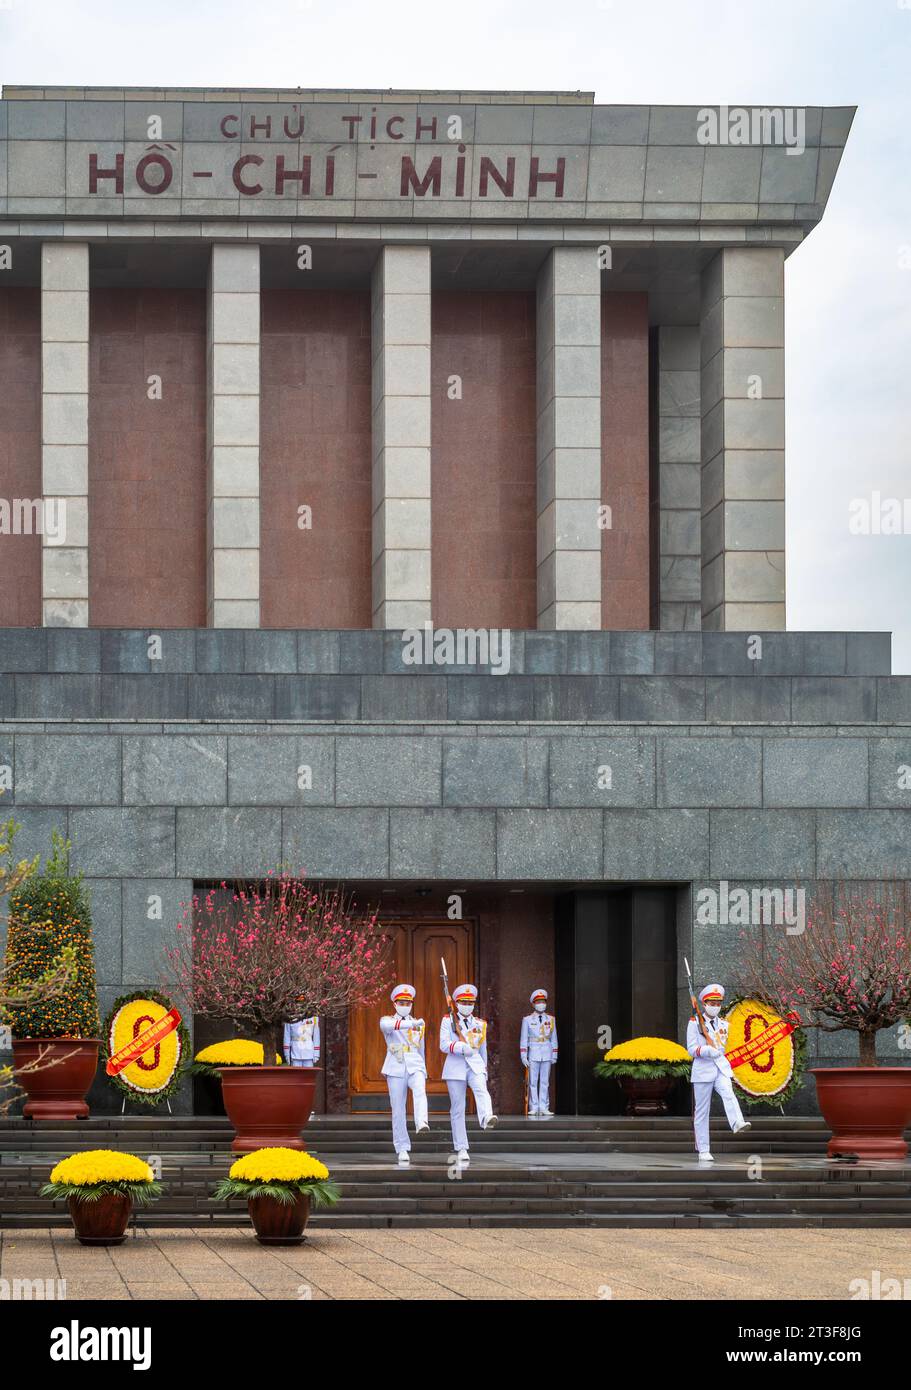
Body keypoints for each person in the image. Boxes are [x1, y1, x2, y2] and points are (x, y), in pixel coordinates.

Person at [686, 982, 751, 1162]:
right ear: (705, 1004)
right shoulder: (694, 1023)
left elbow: (723, 1046)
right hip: (702, 1071)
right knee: (702, 1112)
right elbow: (691, 1049)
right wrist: (707, 1050)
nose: (715, 1007)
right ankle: (703, 1150)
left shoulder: (724, 1024)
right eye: (711, 1003)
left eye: (717, 1004)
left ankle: (737, 1122)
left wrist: (717, 1051)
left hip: (720, 1067)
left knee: (728, 1093)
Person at [439, 983, 498, 1166]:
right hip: (455, 1066)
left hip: (475, 1065)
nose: (467, 1005)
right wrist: (460, 1047)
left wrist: (484, 1068)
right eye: (464, 1002)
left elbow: (483, 1049)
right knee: (458, 1108)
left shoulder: (481, 1024)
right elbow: (443, 1045)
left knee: (481, 1089)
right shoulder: (447, 1021)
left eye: (470, 1002)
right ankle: (461, 1147)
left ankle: (487, 1116)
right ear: (456, 1003)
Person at [379, 983, 430, 1167]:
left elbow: (421, 1048)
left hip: (415, 1063)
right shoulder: (387, 1020)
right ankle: (402, 1148)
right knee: (398, 1109)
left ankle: (421, 1121)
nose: (405, 1005)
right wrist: (412, 1023)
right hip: (396, 1065)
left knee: (419, 1090)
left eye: (408, 1002)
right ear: (394, 1003)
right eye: (401, 1002)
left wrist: (424, 1067)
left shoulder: (418, 1024)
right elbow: (388, 1026)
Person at [520, 988, 558, 1117]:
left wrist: (554, 1054)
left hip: (546, 1052)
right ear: (533, 1004)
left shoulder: (551, 1019)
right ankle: (534, 1107)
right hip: (534, 1053)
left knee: (545, 1082)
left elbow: (554, 1038)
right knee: (532, 1081)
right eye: (538, 1002)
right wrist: (523, 1055)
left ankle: (544, 1107)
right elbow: (524, 1039)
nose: (541, 1004)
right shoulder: (527, 1020)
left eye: (543, 1001)